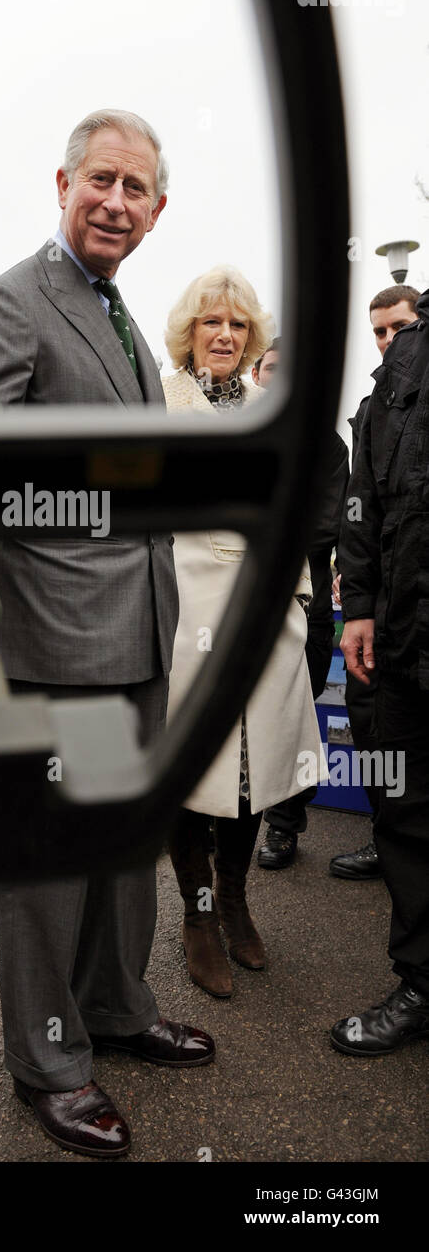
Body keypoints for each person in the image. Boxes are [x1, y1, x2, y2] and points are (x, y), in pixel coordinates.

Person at [0, 109, 214, 1159]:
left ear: (155, 211)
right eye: (99, 179)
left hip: (140, 630)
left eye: (135, 188)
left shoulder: (120, 316)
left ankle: (115, 1006)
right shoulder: (11, 302)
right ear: (61, 184)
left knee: (121, 849)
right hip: (53, 640)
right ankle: (51, 1062)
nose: (115, 201)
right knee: (50, 866)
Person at [163, 267, 322, 998]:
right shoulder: (158, 404)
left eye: (235, 325)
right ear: (189, 333)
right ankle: (198, 916)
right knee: (194, 769)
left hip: (265, 610)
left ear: (250, 336)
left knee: (254, 770)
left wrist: (298, 602)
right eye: (209, 323)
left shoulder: (273, 408)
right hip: (187, 608)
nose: (223, 335)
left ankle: (234, 899)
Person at [331, 287, 429, 1055]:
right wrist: (357, 604)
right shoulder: (393, 379)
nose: (386, 338)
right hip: (401, 634)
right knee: (403, 808)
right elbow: (360, 502)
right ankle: (422, 982)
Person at [328, 284, 419, 880]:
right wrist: (354, 585)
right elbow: (358, 508)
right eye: (379, 331)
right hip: (375, 611)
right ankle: (388, 843)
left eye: (400, 328)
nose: (388, 341)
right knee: (373, 731)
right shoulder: (370, 408)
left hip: (416, 607)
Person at [252, 341, 350, 869]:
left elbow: (326, 525)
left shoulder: (329, 447)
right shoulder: (230, 435)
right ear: (256, 374)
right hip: (225, 601)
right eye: (273, 369)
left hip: (302, 599)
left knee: (294, 711)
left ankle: (285, 825)